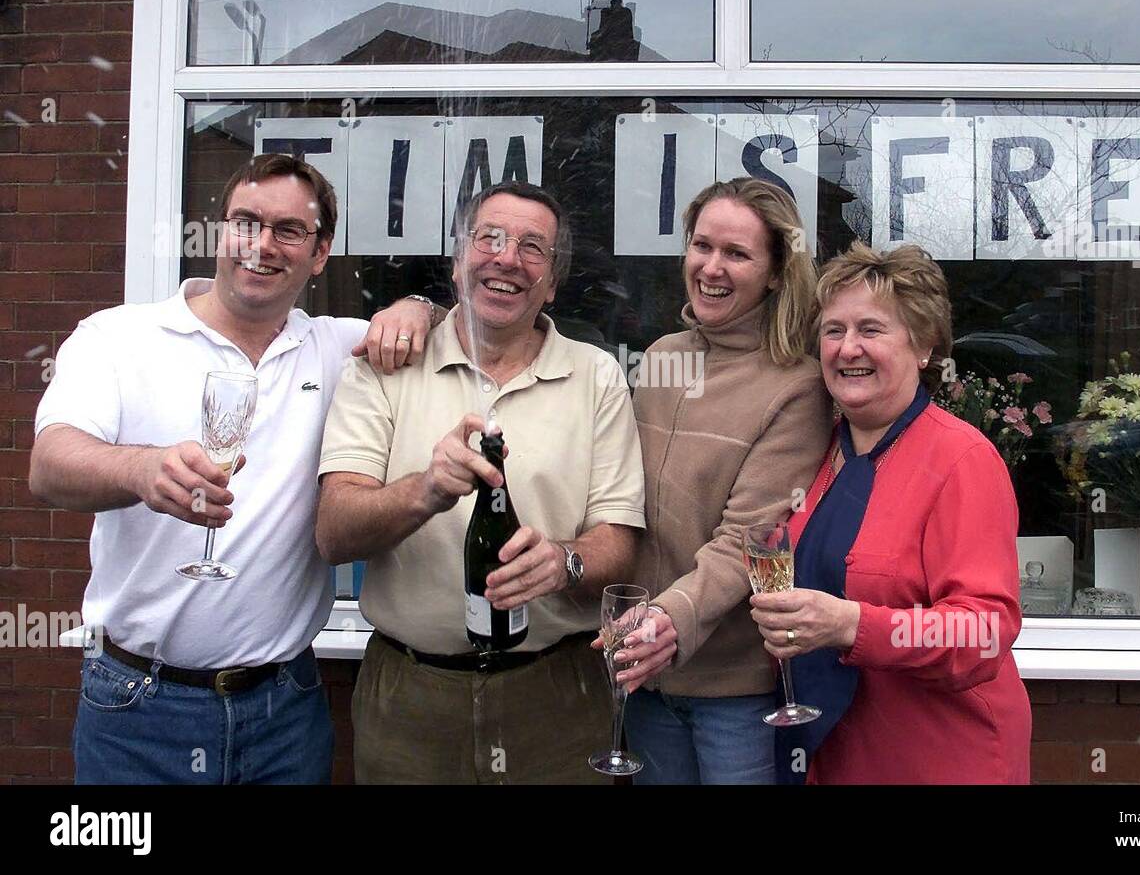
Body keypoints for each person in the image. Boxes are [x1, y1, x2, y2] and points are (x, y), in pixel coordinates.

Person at [28, 153, 435, 784]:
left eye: (289, 231)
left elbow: (443, 332)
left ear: (320, 253)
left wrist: (415, 305)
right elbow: (50, 465)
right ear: (220, 232)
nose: (261, 246)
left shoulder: (337, 349)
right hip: (136, 705)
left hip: (285, 711)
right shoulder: (117, 338)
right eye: (246, 223)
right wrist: (141, 470)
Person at [315, 181, 645, 785]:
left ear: (552, 281)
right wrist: (425, 491)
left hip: (557, 696)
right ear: (458, 260)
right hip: (411, 697)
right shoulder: (385, 364)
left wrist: (564, 562)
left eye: (531, 247)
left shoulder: (595, 375)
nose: (506, 258)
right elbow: (334, 534)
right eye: (488, 238)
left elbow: (619, 540)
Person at [748, 241, 1031, 784]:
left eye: (871, 330)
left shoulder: (962, 459)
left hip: (939, 757)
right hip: (829, 754)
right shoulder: (815, 452)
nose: (848, 348)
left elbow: (984, 634)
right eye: (834, 330)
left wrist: (852, 624)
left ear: (923, 346)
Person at [602, 178, 832, 784]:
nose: (712, 267)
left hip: (733, 690)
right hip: (645, 673)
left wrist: (668, 621)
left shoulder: (797, 385)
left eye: (737, 253)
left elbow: (749, 540)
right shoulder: (659, 358)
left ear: (777, 272)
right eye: (702, 246)